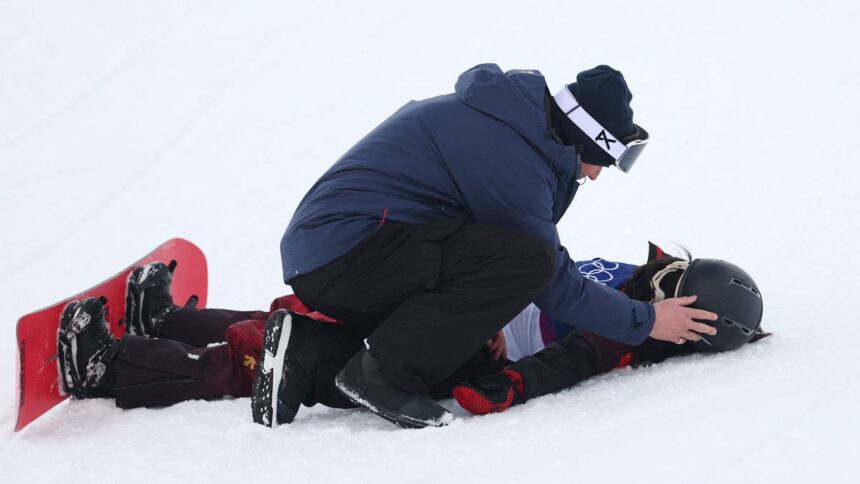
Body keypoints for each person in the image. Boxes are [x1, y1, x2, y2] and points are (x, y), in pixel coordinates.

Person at [266, 63, 718, 428]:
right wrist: (647, 320)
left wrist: (479, 312)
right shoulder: (512, 155)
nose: (596, 175)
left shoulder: (515, 131)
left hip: (349, 255)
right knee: (532, 261)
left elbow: (479, 251)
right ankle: (382, 376)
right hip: (346, 250)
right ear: (583, 136)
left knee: (472, 356)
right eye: (602, 160)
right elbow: (551, 281)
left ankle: (310, 355)